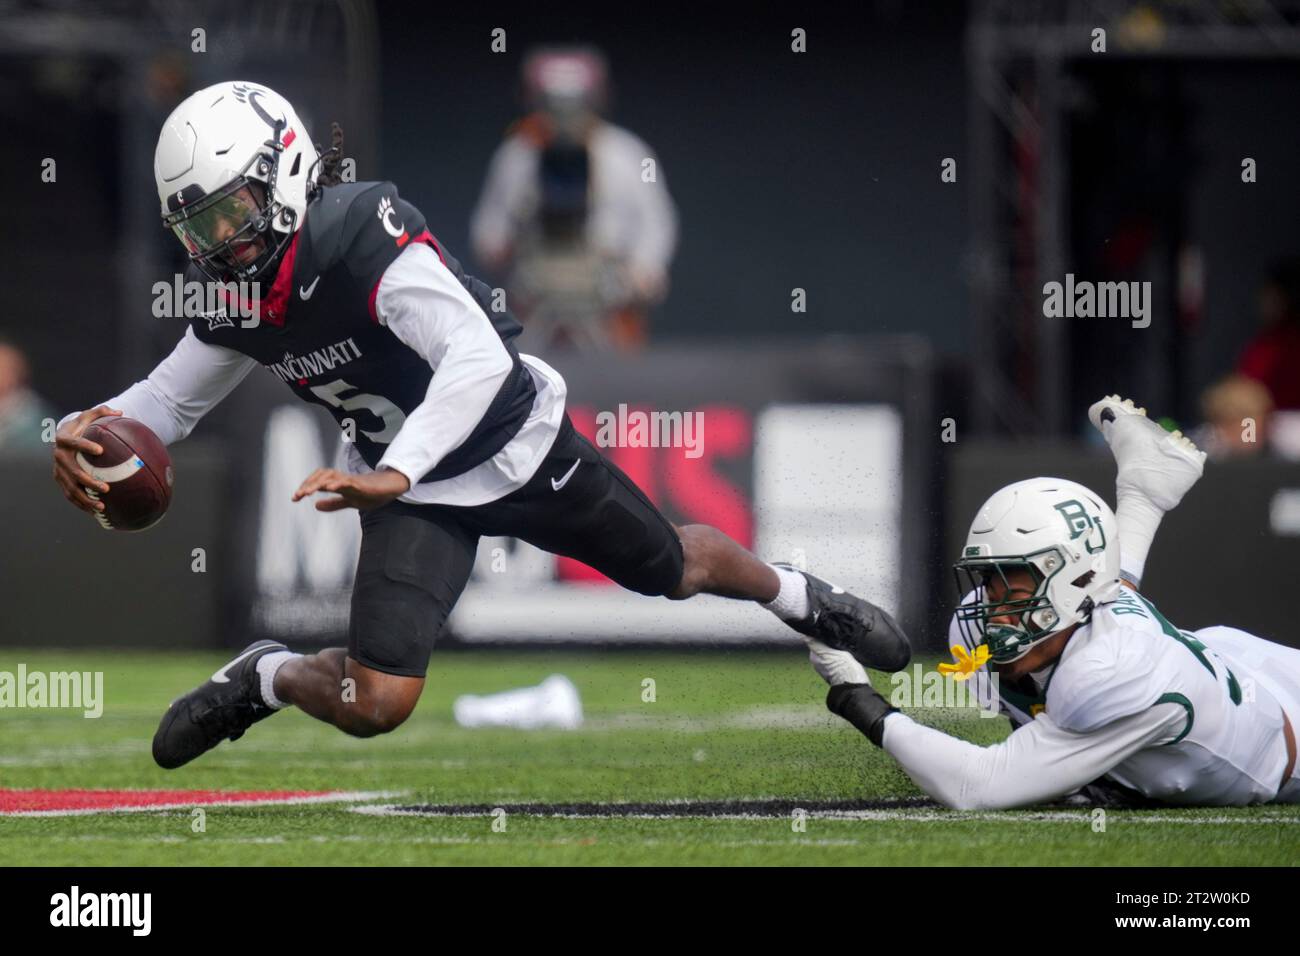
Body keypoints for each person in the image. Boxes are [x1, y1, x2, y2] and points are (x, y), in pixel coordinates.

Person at [50, 81, 908, 769]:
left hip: (509, 441)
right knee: (373, 706)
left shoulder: (358, 235)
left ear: (283, 171)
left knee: (675, 568)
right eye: (196, 226)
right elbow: (166, 402)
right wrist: (85, 428)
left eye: (229, 213)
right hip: (413, 487)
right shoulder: (237, 290)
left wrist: (400, 469)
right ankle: (265, 675)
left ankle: (800, 599)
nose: (217, 243)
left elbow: (475, 355)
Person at [816, 395, 1300, 808]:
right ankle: (1143, 494)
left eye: (1018, 585)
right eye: (989, 581)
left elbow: (977, 785)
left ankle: (1144, 495)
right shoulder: (1054, 611)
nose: (994, 609)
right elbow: (1106, 591)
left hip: (1281, 731)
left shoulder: (1112, 669)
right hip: (1218, 657)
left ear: (1073, 579)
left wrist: (859, 701)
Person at [470, 48, 677, 350]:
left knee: (620, 387)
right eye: (552, 105)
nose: (564, 118)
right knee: (527, 378)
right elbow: (488, 236)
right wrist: (514, 229)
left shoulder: (626, 154)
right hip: (536, 301)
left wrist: (642, 272)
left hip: (609, 299)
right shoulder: (516, 156)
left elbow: (657, 224)